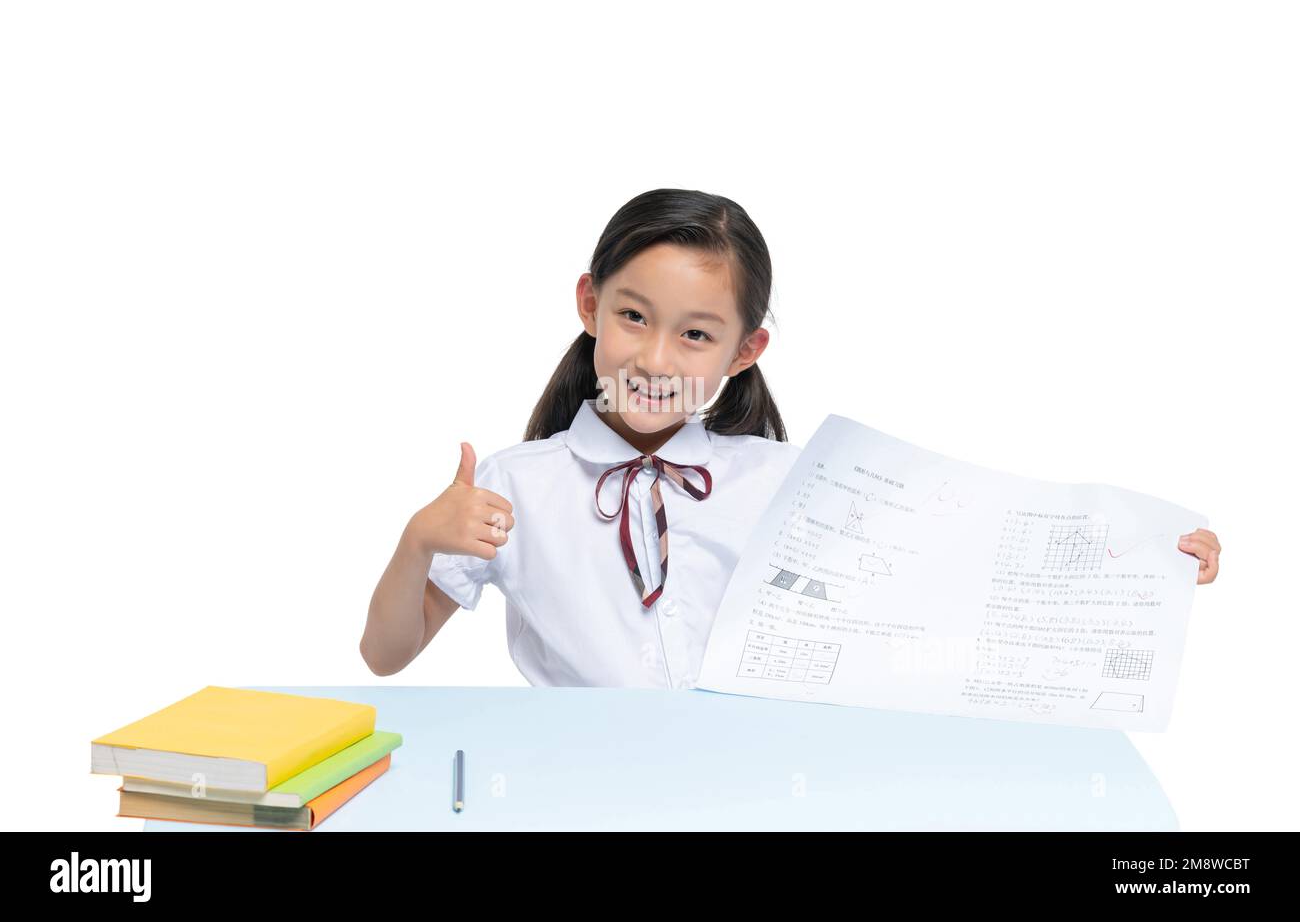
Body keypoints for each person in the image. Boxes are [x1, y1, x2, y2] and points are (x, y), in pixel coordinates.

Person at [359, 188, 1221, 686]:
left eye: (696, 334)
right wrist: (416, 542)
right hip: (579, 789)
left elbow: (959, 563)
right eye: (632, 317)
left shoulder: (788, 479)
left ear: (745, 350)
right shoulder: (515, 483)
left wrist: (1145, 560)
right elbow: (385, 654)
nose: (656, 357)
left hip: (763, 785)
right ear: (590, 305)